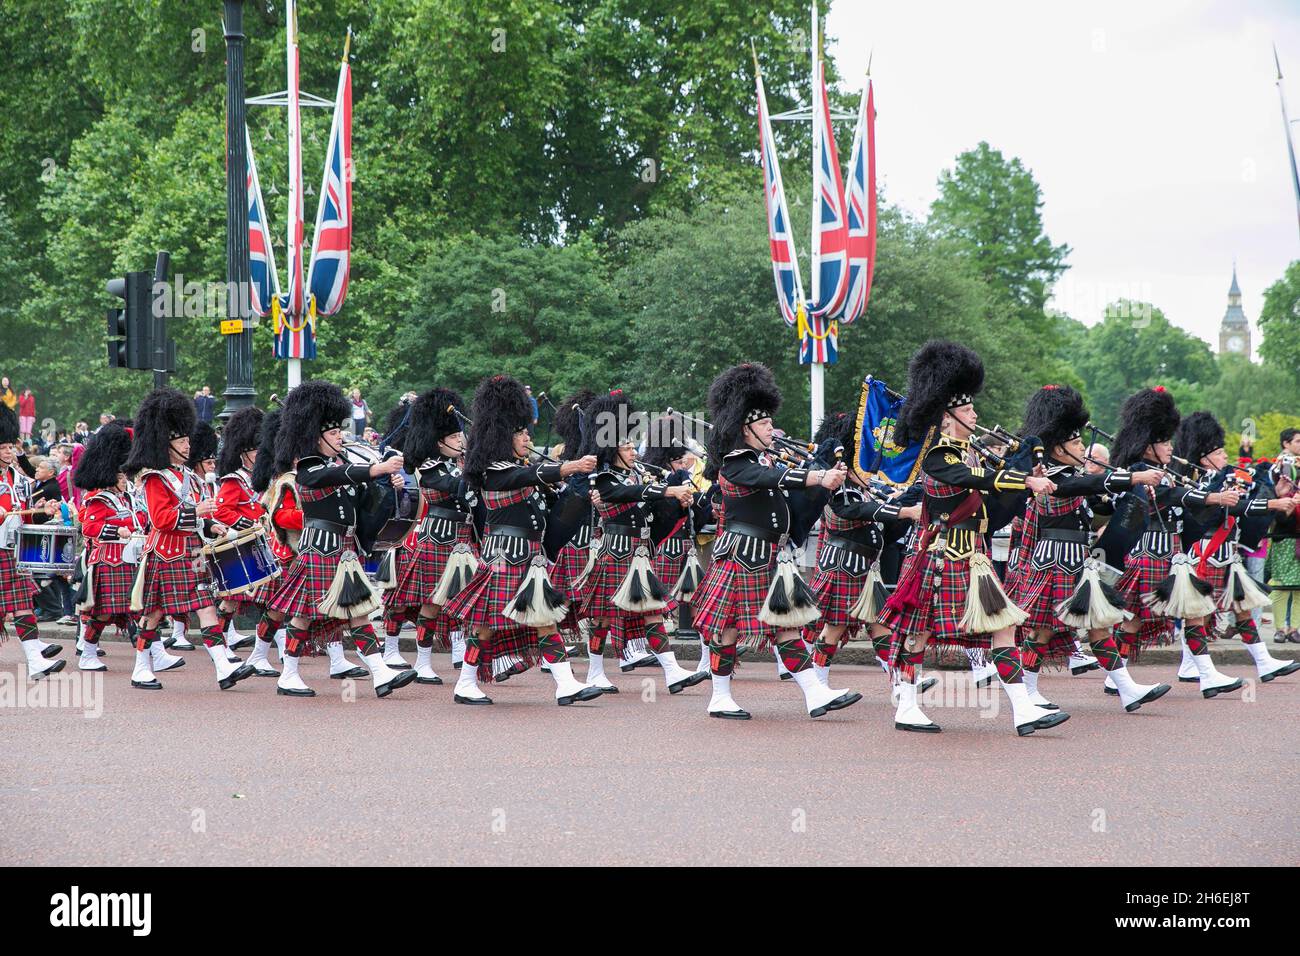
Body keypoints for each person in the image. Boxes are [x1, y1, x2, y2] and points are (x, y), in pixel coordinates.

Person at [877, 341, 1065, 736]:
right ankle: (907, 706)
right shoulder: (938, 457)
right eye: (966, 410)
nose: (974, 414)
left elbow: (992, 504)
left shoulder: (972, 453)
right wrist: (1022, 478)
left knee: (1003, 629)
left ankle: (1022, 710)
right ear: (946, 418)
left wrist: (1024, 461)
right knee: (917, 633)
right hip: (941, 555)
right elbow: (972, 480)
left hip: (974, 556)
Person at [690, 363, 858, 721]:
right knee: (728, 627)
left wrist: (824, 478)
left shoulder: (762, 458)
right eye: (764, 423)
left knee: (786, 627)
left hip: (768, 556)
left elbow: (788, 496)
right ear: (745, 428)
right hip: (740, 555)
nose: (771, 428)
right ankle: (719, 697)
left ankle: (815, 694)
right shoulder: (735, 463)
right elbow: (766, 476)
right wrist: (815, 475)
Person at [1005, 384, 1170, 714]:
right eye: (1076, 441)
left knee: (1098, 625)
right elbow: (1081, 485)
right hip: (1051, 561)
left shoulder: (1070, 473)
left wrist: (1128, 499)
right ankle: (1028, 691)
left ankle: (1127, 689)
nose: (1082, 447)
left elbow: (1099, 504)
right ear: (1059, 446)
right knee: (1041, 629)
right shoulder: (1051, 474)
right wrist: (1129, 480)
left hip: (1077, 562)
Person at [442, 374, 601, 706]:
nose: (527, 435)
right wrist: (567, 467)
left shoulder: (514, 468)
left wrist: (578, 492)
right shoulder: (493, 470)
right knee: (491, 624)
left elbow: (550, 514)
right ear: (505, 434)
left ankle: (564, 683)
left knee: (540, 619)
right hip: (505, 555)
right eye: (520, 431)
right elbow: (525, 474)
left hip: (528, 557)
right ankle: (467, 684)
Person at [268, 380, 415, 699]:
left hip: (344, 549)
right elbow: (332, 477)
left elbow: (364, 510)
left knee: (356, 611)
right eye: (333, 433)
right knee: (305, 614)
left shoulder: (337, 467)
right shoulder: (309, 467)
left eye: (339, 432)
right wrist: (374, 470)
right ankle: (289, 675)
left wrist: (389, 488)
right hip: (319, 546)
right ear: (316, 436)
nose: (340, 437)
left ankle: (379, 673)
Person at [1108, 388, 1240, 698]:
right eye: (1165, 441)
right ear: (1149, 445)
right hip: (1147, 551)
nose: (1170, 447)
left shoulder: (1163, 471)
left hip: (1170, 552)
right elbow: (1170, 497)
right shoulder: (1139, 472)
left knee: (1193, 608)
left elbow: (1183, 509)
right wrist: (1211, 496)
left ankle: (1206, 675)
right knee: (1134, 620)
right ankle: (1117, 677)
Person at [122, 387, 254, 692]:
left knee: (205, 606)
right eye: (182, 440)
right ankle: (142, 667)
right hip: (166, 553)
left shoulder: (189, 477)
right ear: (167, 444)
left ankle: (222, 666)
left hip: (192, 552)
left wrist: (210, 525)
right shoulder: (155, 478)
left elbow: (193, 518)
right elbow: (161, 520)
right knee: (153, 614)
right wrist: (198, 512)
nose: (188, 444)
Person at [578, 390, 703, 695]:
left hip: (639, 554)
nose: (634, 450)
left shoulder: (637, 473)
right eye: (627, 446)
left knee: (653, 611)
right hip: (615, 551)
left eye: (633, 444)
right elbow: (626, 495)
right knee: (604, 617)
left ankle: (672, 671)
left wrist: (679, 497)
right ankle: (594, 672)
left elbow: (649, 506)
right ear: (612, 449)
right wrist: (665, 492)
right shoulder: (604, 479)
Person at [803, 410, 922, 694]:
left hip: (863, 569)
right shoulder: (841, 490)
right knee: (834, 628)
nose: (869, 471)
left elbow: (883, 526)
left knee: (881, 626)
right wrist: (903, 509)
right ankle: (816, 683)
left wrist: (909, 497)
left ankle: (900, 683)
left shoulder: (861, 488)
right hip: (844, 565)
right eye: (863, 465)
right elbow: (857, 510)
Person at [1177, 412, 1298, 684]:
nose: (1224, 456)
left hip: (1226, 552)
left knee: (1240, 608)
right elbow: (1225, 508)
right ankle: (1192, 667)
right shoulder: (1199, 482)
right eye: (1219, 452)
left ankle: (1263, 661)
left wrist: (1275, 494)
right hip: (1204, 551)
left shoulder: (1225, 477)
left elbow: (1243, 510)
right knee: (1198, 612)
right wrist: (1271, 503)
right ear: (1204, 456)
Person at [381, 387, 479, 686]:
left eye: (459, 437)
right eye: (453, 438)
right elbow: (451, 487)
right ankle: (423, 662)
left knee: (468, 601)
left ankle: (464, 652)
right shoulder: (430, 466)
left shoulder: (457, 464)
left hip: (463, 539)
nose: (459, 441)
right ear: (439, 442)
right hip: (438, 538)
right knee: (431, 602)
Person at [212, 406, 283, 678]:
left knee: (272, 602)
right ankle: (221, 646)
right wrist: (249, 524)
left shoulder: (263, 480)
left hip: (264, 546)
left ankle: (263, 654)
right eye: (256, 450)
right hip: (243, 547)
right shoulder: (235, 480)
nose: (261, 455)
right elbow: (221, 511)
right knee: (230, 602)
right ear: (244, 453)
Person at [0, 404, 65, 679]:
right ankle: (35, 654)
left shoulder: (18, 478)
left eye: (9, 447)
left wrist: (44, 510)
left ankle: (35, 660)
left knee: (22, 603)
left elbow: (27, 512)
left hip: (11, 548)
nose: (9, 452)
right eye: (3, 448)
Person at [1265, 453, 1300, 643]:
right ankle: (1279, 628)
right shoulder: (1282, 490)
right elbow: (1279, 520)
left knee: (1299, 590)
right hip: (1285, 542)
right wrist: (1290, 505)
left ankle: (1294, 628)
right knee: (1281, 587)